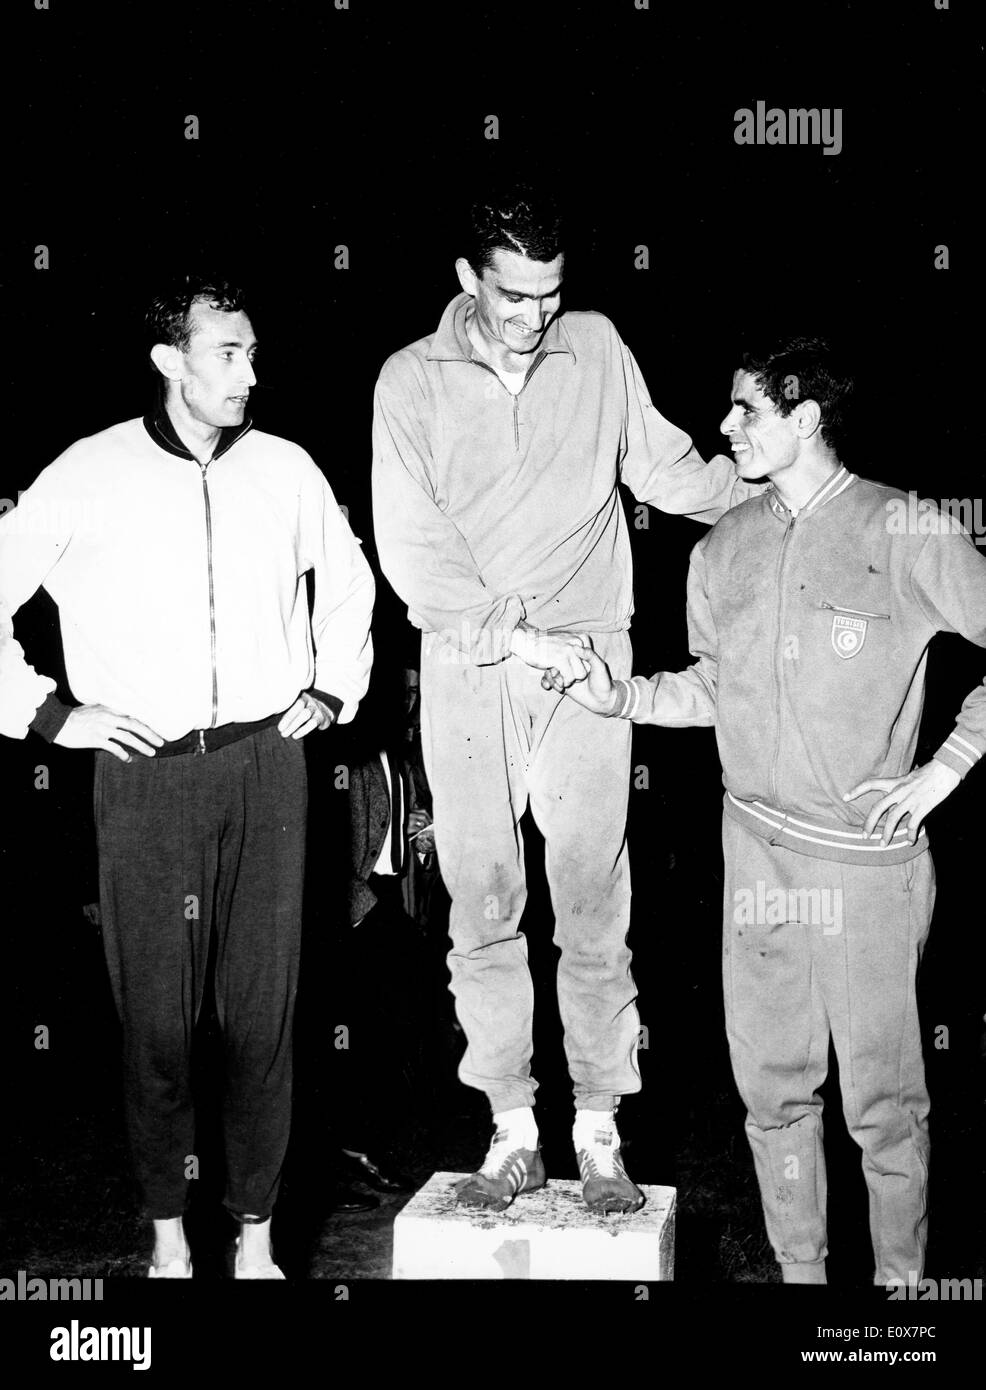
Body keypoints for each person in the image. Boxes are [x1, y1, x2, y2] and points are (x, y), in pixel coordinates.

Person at [561, 337, 986, 1282]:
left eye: (744, 409)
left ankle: (899, 1299)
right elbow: (715, 688)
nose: (724, 427)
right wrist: (619, 695)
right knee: (773, 1093)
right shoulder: (721, 549)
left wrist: (946, 767)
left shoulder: (909, 529)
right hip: (757, 856)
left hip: (864, 864)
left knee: (884, 1105)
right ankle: (802, 1283)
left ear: (805, 420)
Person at [371, 184, 760, 1214]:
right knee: (484, 904)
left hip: (587, 663)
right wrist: (512, 634)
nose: (534, 317)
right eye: (513, 298)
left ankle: (596, 1126)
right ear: (466, 281)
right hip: (470, 668)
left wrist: (768, 485)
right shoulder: (408, 381)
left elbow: (666, 465)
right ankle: (509, 1124)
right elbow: (412, 553)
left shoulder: (593, 347)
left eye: (548, 295)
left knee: (593, 901)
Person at [0, 276, 375, 1278]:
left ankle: (255, 1240)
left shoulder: (285, 470)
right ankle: (169, 1235)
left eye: (252, 353)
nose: (249, 374)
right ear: (170, 360)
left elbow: (348, 585)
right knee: (158, 1026)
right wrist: (49, 713)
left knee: (264, 1018)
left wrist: (331, 688)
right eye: (227, 353)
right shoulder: (90, 472)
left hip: (265, 767)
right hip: (146, 778)